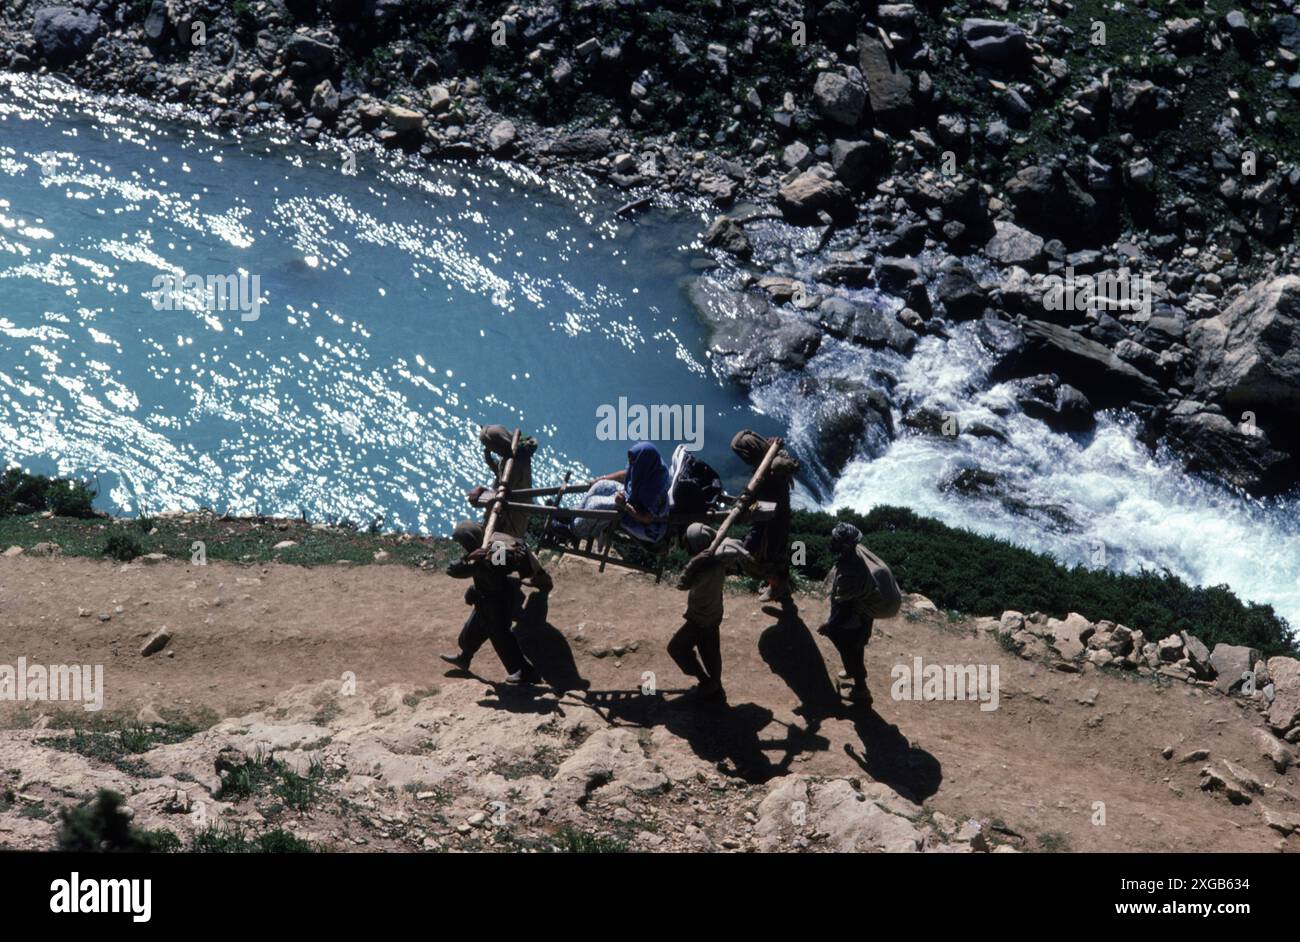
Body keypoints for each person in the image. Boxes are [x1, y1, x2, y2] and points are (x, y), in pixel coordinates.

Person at [439, 521, 549, 685]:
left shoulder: (494, 552)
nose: (462, 546)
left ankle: (526, 673)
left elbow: (453, 570)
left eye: (463, 542)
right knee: (471, 631)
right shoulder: (482, 553)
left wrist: (473, 559)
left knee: (503, 641)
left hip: (498, 604)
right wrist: (471, 559)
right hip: (485, 601)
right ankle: (464, 658)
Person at [669, 523, 754, 703]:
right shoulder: (717, 561)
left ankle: (708, 684)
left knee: (677, 648)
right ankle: (714, 689)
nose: (689, 550)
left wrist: (694, 561)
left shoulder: (704, 567)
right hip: (713, 614)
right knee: (711, 654)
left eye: (691, 546)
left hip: (700, 620)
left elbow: (681, 584)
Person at [817, 522, 900, 704]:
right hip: (862, 613)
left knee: (850, 649)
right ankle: (851, 669)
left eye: (835, 540)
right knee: (856, 647)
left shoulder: (850, 574)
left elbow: (844, 610)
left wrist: (829, 624)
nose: (831, 542)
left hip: (853, 618)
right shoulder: (857, 552)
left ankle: (861, 690)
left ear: (845, 546)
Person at [730, 429, 800, 605]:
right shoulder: (776, 455)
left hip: (771, 521)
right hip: (779, 515)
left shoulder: (770, 475)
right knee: (779, 552)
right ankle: (783, 590)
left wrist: (747, 502)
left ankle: (777, 588)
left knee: (761, 560)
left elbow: (763, 507)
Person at [573, 441, 671, 543]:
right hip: (634, 499)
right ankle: (574, 516)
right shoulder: (648, 465)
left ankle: (576, 530)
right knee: (600, 486)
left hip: (647, 525)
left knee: (598, 505)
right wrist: (600, 480)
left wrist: (624, 505)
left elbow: (647, 518)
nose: (630, 463)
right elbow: (625, 474)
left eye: (632, 462)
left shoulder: (654, 488)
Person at [467, 424, 537, 542]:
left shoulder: (513, 464)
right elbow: (501, 474)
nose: (492, 450)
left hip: (510, 518)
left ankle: (498, 560)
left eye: (491, 447)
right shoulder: (513, 455)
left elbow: (503, 493)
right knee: (496, 548)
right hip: (509, 514)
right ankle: (495, 559)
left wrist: (481, 490)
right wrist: (488, 457)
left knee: (499, 548)